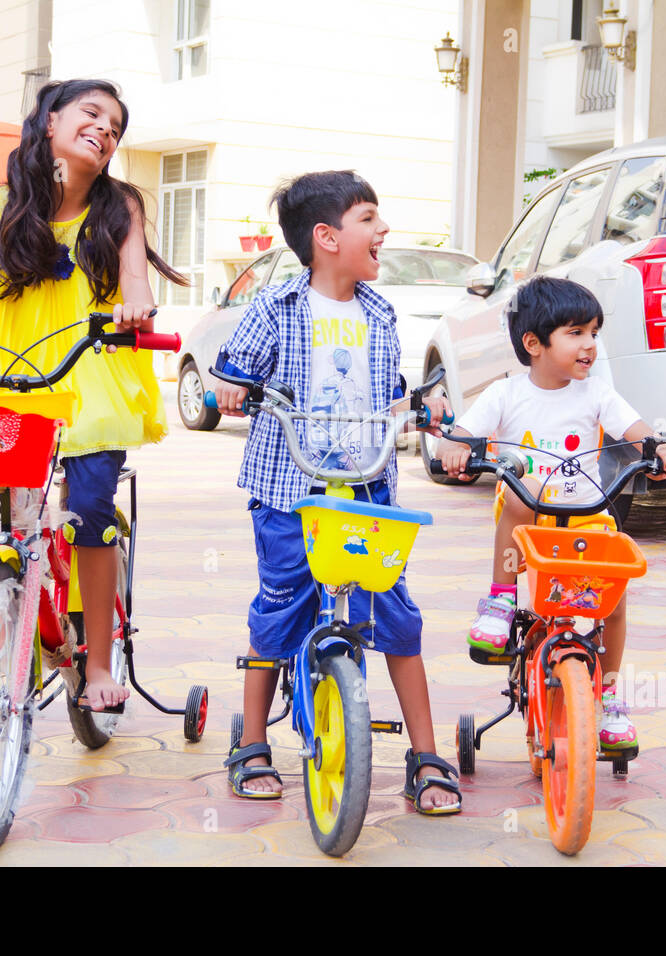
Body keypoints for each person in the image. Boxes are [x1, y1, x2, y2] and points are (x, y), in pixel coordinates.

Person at [0, 79, 187, 712]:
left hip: (88, 372)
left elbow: (135, 279)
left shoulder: (120, 209)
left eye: (115, 125)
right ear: (50, 121)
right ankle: (13, 622)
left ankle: (102, 663)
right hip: (8, 369)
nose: (106, 130)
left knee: (88, 508)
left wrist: (136, 303)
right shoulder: (8, 202)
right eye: (92, 114)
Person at [213, 170, 461, 814]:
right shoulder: (276, 307)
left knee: (396, 612)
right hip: (290, 491)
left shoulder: (379, 313)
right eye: (370, 219)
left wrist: (422, 407)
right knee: (280, 607)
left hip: (366, 490)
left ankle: (426, 755)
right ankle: (250, 743)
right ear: (326, 237)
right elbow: (229, 377)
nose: (384, 230)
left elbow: (388, 395)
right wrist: (231, 389)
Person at [437, 275, 666, 754]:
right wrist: (454, 446)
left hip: (585, 519)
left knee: (613, 601)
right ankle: (500, 600)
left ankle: (609, 696)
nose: (590, 345)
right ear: (534, 343)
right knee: (520, 487)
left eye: (594, 332)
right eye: (576, 333)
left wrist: (657, 450)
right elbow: (464, 433)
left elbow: (635, 431)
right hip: (527, 524)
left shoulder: (596, 395)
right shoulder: (505, 394)